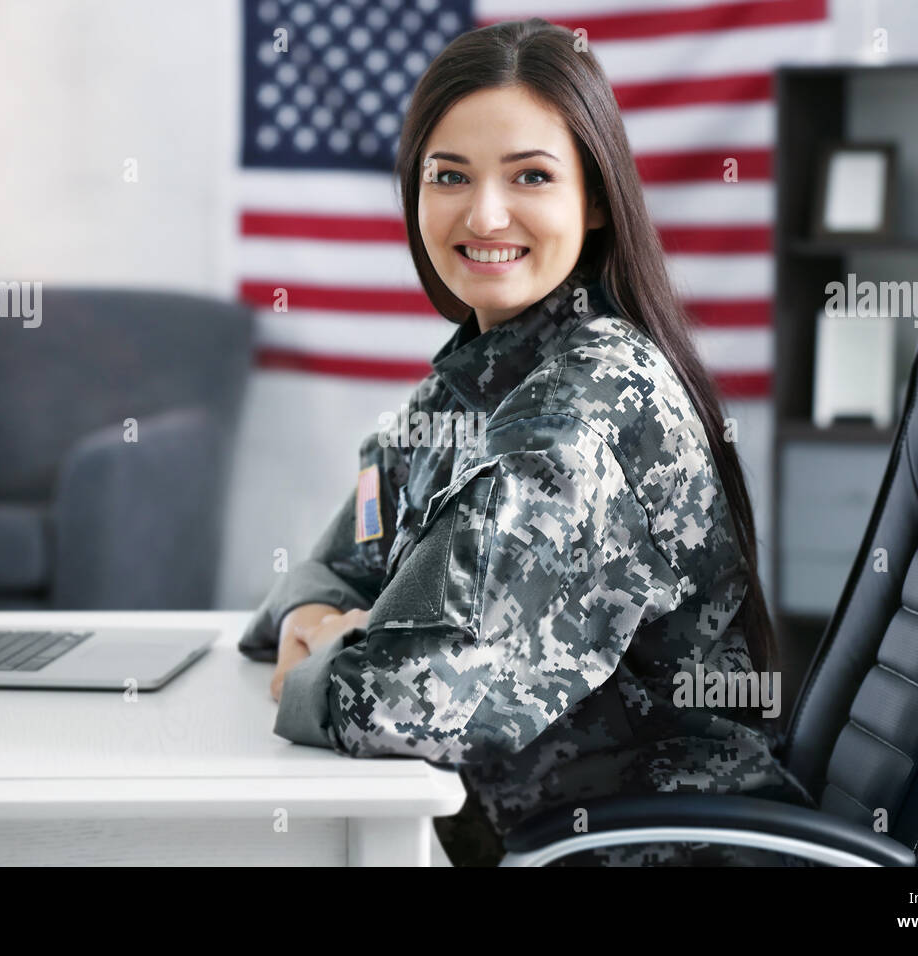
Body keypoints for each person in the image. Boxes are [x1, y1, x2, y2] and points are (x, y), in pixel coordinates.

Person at [237, 18, 816, 867]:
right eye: (449, 176)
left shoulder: (580, 414)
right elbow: (335, 564)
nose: (484, 212)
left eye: (531, 176)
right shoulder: (475, 379)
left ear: (594, 201)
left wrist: (326, 650)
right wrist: (319, 614)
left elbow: (394, 701)